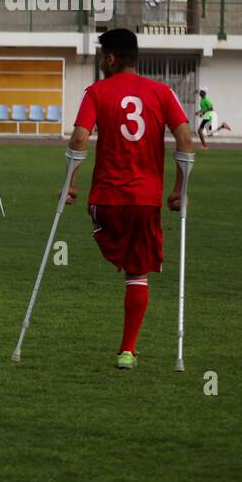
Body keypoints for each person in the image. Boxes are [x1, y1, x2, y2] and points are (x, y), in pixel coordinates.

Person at [64, 28, 194, 370]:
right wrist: (181, 188)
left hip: (105, 200)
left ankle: (118, 256)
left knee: (117, 248)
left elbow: (79, 138)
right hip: (145, 200)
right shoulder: (162, 91)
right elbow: (185, 138)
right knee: (138, 272)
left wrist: (71, 185)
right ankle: (127, 350)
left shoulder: (96, 91)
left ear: (110, 58)